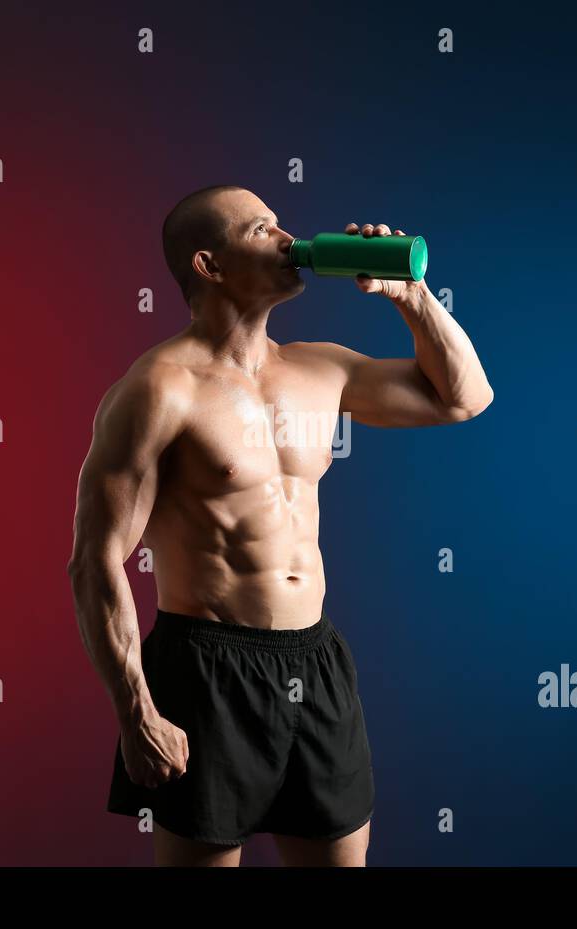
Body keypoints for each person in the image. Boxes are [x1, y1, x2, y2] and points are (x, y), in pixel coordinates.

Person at [66, 185, 494, 866]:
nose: (289, 240)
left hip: (313, 661)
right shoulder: (160, 389)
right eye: (264, 229)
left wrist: (410, 296)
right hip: (205, 671)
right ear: (210, 265)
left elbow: (464, 399)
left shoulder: (318, 369)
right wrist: (135, 712)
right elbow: (95, 561)